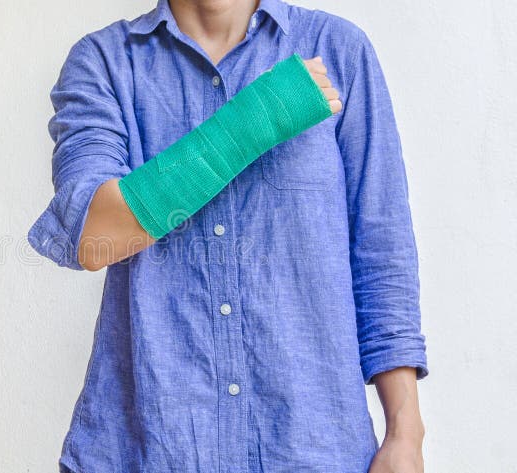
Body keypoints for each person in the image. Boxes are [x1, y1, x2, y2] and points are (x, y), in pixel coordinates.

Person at [27, 0, 429, 471]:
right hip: (152, 450)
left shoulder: (337, 49)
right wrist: (256, 120)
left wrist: (406, 433)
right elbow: (94, 234)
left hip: (313, 448)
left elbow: (381, 251)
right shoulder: (105, 62)